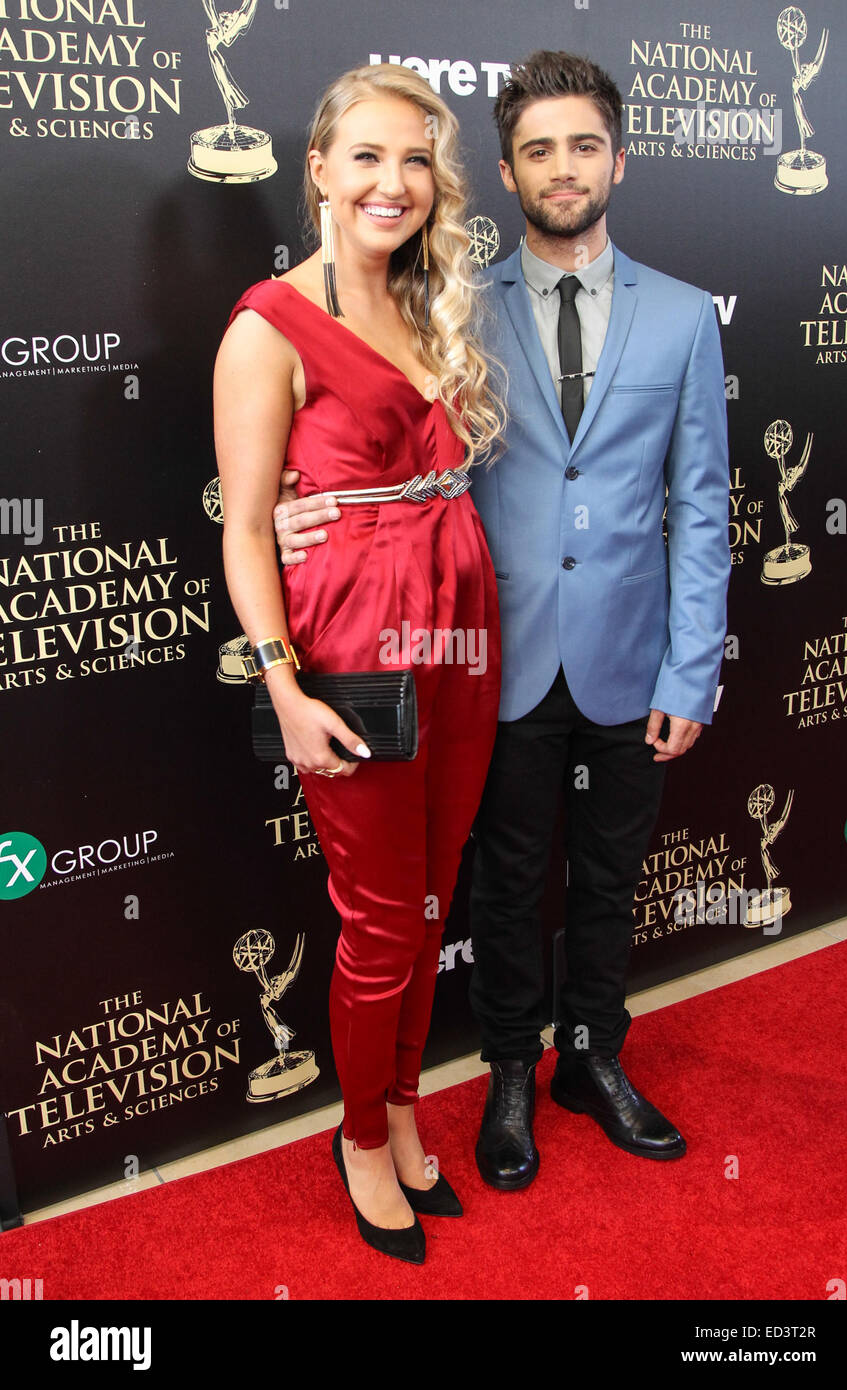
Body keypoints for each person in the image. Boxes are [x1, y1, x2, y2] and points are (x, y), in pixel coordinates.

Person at [274, 51, 730, 1191]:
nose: (562, 168)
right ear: (510, 171)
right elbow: (384, 456)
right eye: (537, 149)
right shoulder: (443, 309)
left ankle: (593, 1059)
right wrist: (301, 515)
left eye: (583, 146)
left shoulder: (682, 318)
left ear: (616, 160)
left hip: (632, 660)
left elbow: (701, 503)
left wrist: (691, 669)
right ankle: (513, 1075)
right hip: (488, 656)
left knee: (611, 879)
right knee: (502, 883)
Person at [213, 62, 504, 1263]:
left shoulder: (429, 302)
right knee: (380, 917)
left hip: (461, 617)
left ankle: (403, 1103)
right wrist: (281, 688)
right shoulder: (265, 324)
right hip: (355, 637)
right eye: (369, 157)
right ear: (320, 173)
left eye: (416, 160)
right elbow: (241, 527)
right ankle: (359, 1134)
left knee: (434, 893)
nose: (394, 182)